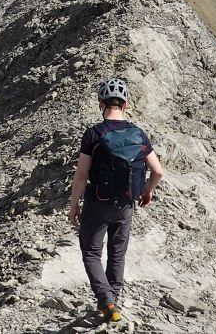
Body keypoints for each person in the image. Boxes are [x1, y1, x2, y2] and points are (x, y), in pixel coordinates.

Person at [68, 76, 165, 324]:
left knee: (91, 252)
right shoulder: (138, 134)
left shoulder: (94, 134)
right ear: (126, 104)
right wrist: (145, 190)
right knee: (117, 253)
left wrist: (73, 205)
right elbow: (158, 172)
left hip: (97, 202)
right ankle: (114, 302)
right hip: (126, 204)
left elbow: (81, 175)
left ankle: (106, 301)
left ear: (101, 103)